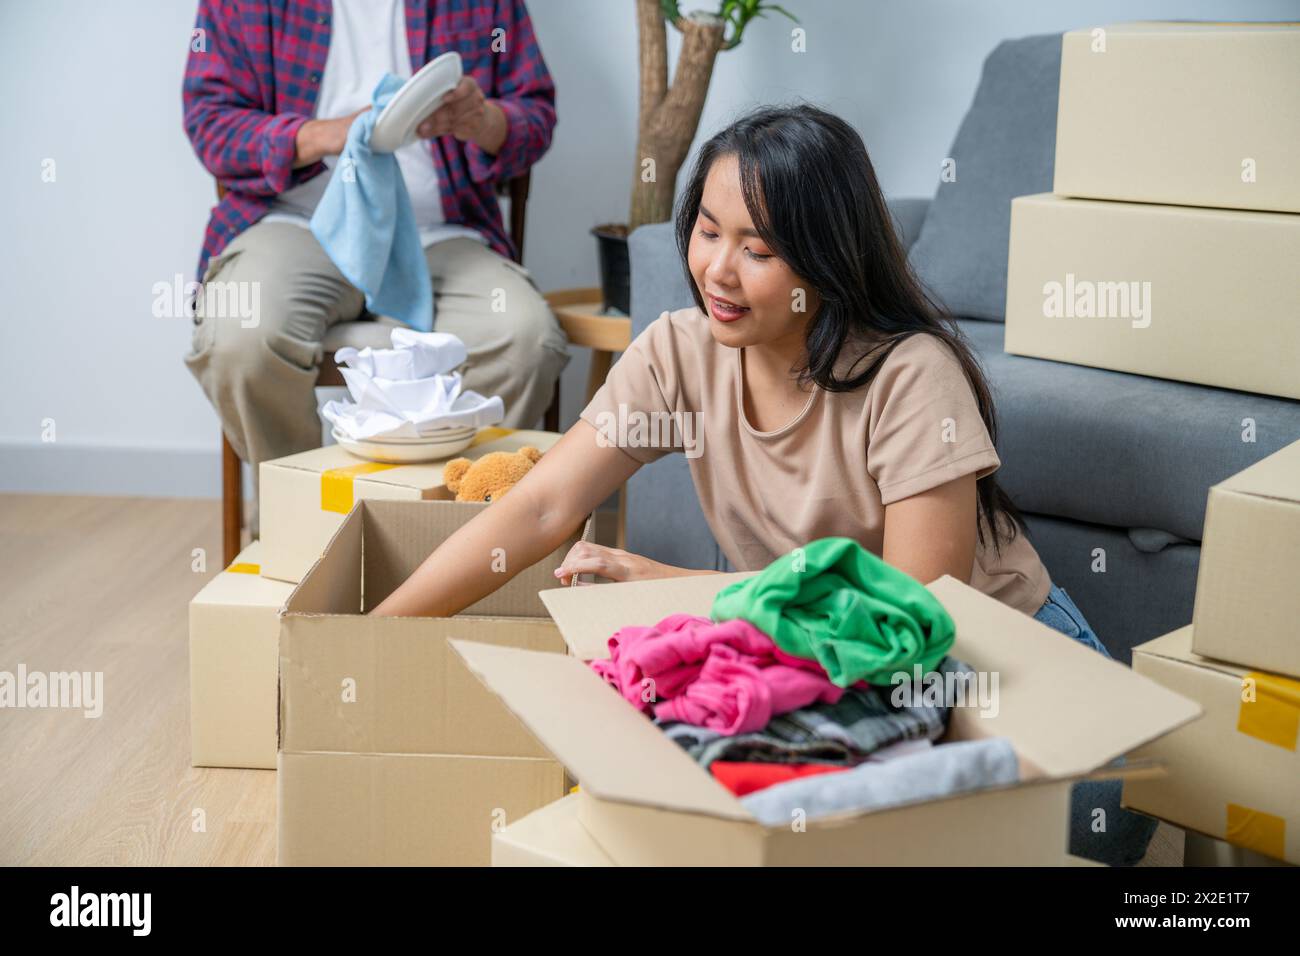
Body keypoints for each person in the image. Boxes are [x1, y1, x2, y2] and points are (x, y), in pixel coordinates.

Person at [369, 103, 1158, 866]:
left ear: (827, 259)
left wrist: (679, 590)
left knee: (1082, 834)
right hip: (835, 671)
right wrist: (378, 630)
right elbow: (543, 504)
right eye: (709, 232)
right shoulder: (679, 353)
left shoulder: (910, 375)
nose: (718, 268)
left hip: (994, 660)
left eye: (758, 249)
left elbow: (914, 604)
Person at [181, 0, 569, 532]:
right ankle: (300, 525)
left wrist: (484, 120)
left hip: (439, 229)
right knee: (241, 336)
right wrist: (327, 134)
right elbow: (211, 123)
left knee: (525, 338)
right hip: (298, 223)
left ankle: (446, 538)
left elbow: (535, 118)